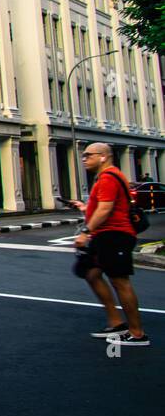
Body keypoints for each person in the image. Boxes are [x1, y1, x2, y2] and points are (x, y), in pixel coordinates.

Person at [71, 143, 149, 346]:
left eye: (88, 155)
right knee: (91, 273)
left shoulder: (108, 177)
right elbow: (103, 207)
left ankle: (137, 333)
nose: (84, 159)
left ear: (103, 157)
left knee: (119, 281)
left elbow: (106, 210)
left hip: (115, 235)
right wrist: (85, 208)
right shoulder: (105, 178)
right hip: (105, 235)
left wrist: (85, 232)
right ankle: (116, 322)